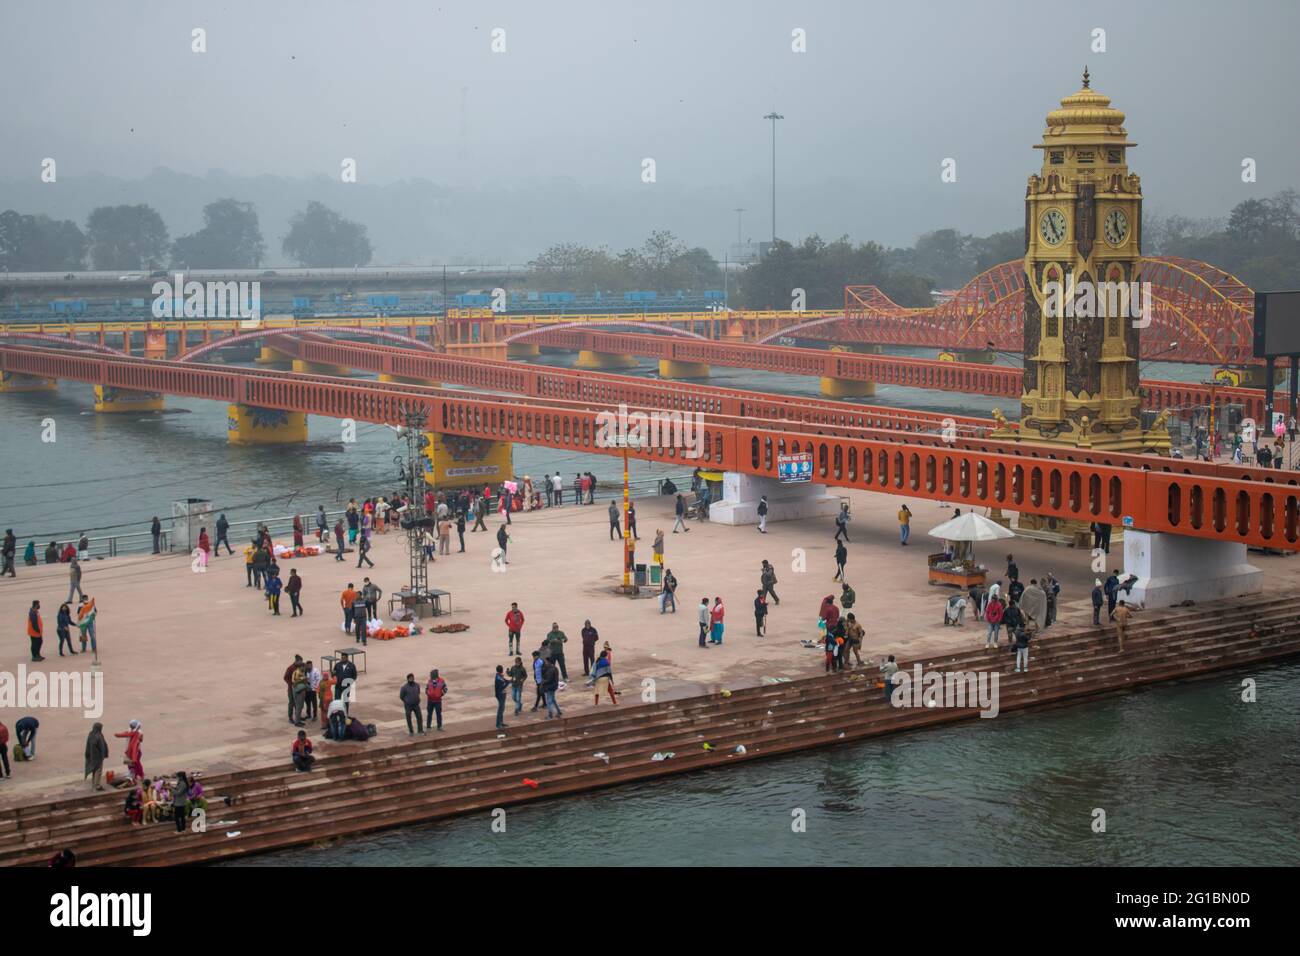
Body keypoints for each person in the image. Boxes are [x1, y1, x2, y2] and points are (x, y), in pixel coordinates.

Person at [84, 722, 109, 791]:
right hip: (98, 757)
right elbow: (102, 747)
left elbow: (88, 745)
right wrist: (104, 755)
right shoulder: (99, 736)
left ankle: (94, 783)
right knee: (98, 770)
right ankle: (97, 785)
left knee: (94, 770)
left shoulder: (91, 734)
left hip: (91, 756)